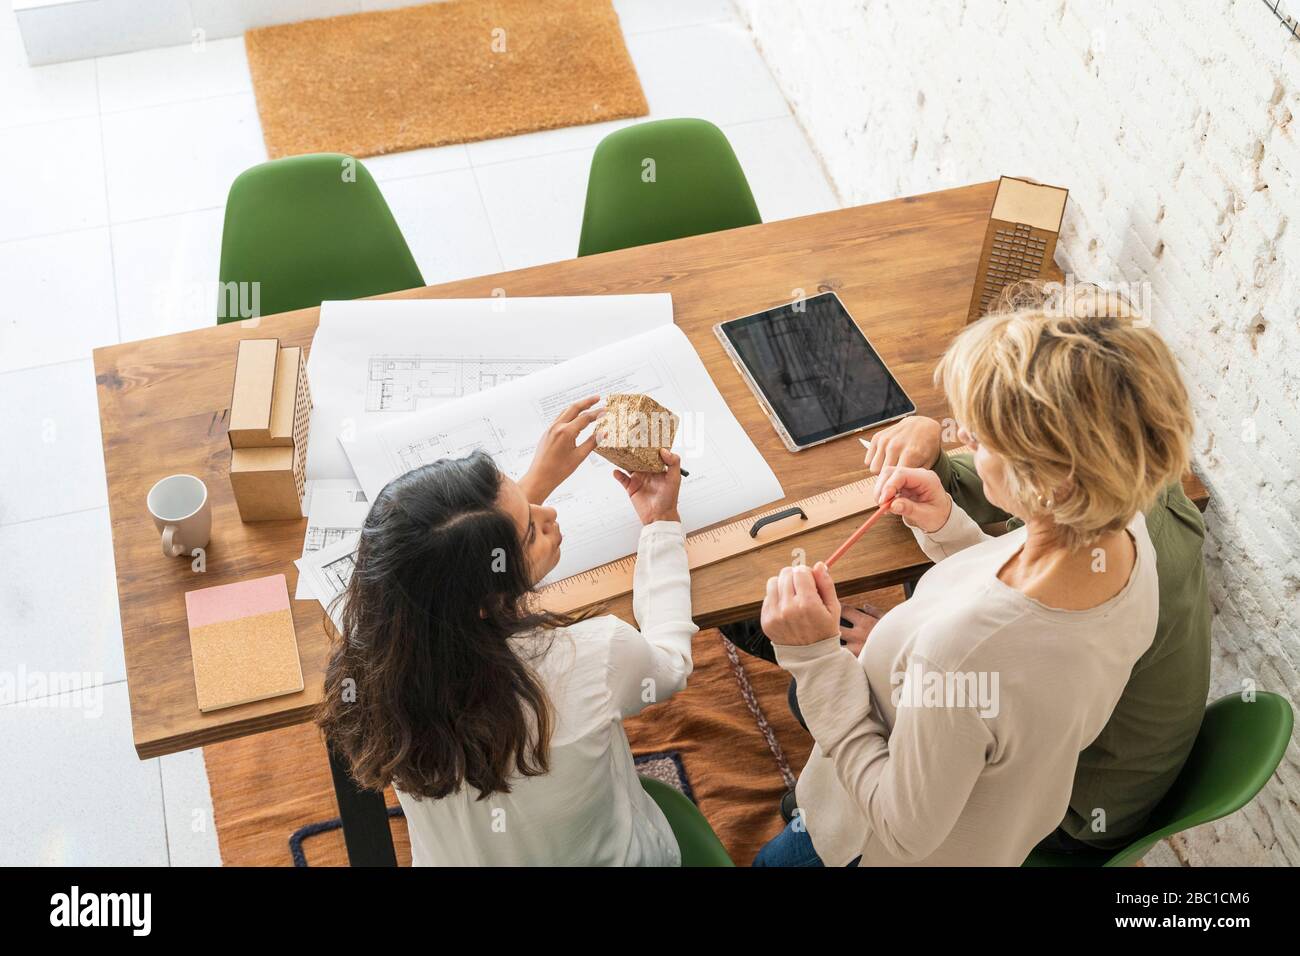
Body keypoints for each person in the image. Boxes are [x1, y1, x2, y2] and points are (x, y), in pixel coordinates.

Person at [753, 298, 1195, 866]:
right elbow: (1026, 605)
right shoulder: (1122, 529)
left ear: (1045, 480)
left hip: (868, 846)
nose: (961, 439)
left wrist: (813, 659)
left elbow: (903, 827)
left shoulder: (961, 654)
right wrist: (947, 527)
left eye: (981, 441)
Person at [317, 397, 697, 866]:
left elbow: (442, 558)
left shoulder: (364, 668)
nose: (550, 513)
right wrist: (661, 524)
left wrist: (524, 492)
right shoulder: (595, 655)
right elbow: (670, 665)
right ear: (487, 598)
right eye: (530, 530)